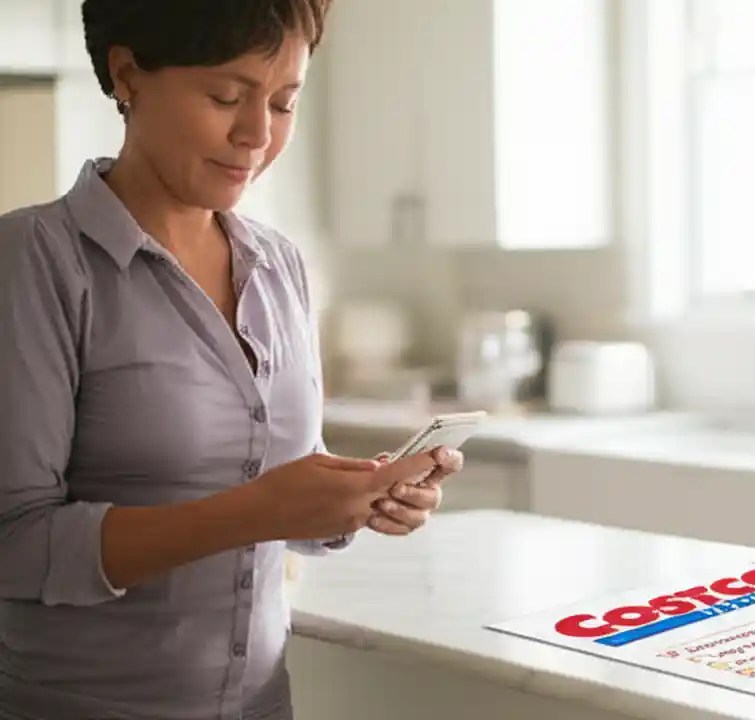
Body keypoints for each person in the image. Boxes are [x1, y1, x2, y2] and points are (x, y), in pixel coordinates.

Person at [0, 2, 463, 718]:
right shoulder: (35, 263)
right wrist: (255, 511)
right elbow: (15, 539)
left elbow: (283, 482)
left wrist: (362, 494)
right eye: (226, 97)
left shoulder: (279, 266)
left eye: (284, 103)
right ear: (128, 76)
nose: (257, 135)